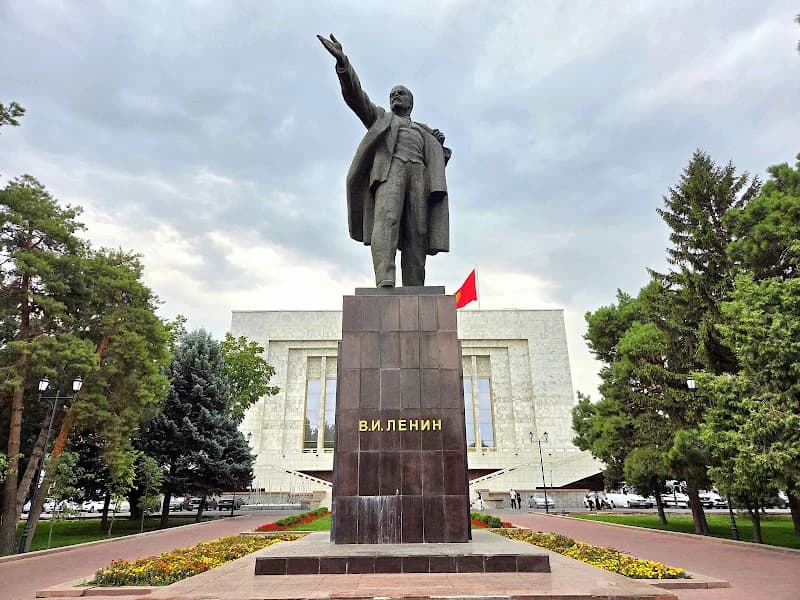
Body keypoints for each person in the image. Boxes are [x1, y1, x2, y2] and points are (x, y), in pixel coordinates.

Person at [317, 34, 451, 287]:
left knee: (418, 231)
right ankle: (385, 277)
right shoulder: (381, 118)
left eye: (401, 93)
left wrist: (439, 147)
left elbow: (438, 164)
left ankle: (415, 285)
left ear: (411, 102)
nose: (395, 96)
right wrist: (343, 64)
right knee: (386, 221)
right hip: (391, 171)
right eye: (392, 94)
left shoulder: (425, 131)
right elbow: (356, 98)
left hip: (419, 176)